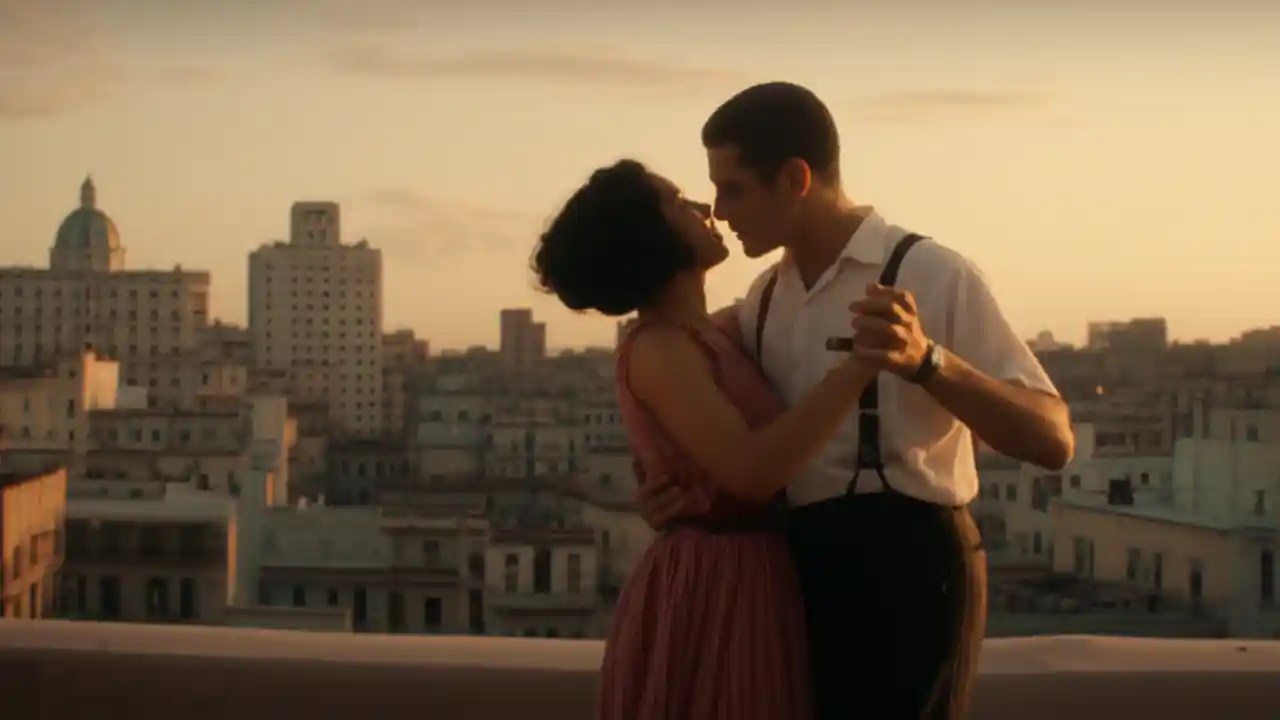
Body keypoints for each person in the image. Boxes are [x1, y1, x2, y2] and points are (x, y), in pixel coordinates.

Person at [635, 82, 1075, 719]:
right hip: (798, 571)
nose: (721, 211)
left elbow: (1053, 438)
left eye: (734, 189)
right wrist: (671, 493)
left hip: (912, 568)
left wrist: (928, 362)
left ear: (794, 178)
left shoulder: (932, 273)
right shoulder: (761, 301)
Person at [531, 158, 881, 719]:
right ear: (654, 240)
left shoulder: (713, 333)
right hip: (718, 585)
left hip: (749, 575)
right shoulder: (660, 349)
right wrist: (860, 369)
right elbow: (751, 470)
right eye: (678, 203)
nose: (705, 210)